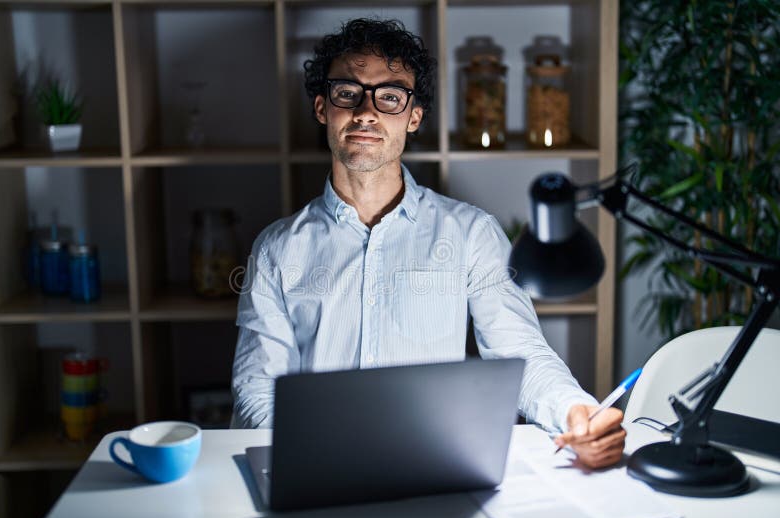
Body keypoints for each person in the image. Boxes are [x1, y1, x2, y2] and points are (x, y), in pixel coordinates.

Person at [231, 18, 625, 469]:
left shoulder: (471, 233)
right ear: (323, 108)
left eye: (390, 97)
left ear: (413, 117)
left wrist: (576, 412)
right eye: (347, 93)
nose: (366, 112)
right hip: (315, 469)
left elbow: (521, 354)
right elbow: (257, 391)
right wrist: (299, 462)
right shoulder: (276, 250)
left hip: (431, 465)